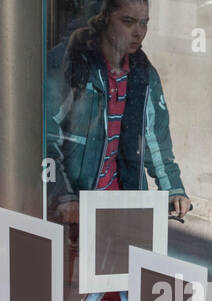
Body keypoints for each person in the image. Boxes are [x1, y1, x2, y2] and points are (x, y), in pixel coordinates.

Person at [45, 0, 190, 225]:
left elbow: (155, 139)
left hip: (123, 207)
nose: (138, 32)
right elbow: (45, 137)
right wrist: (63, 196)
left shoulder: (143, 74)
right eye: (128, 21)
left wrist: (173, 189)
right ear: (103, 18)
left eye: (144, 23)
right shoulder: (71, 62)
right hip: (77, 208)